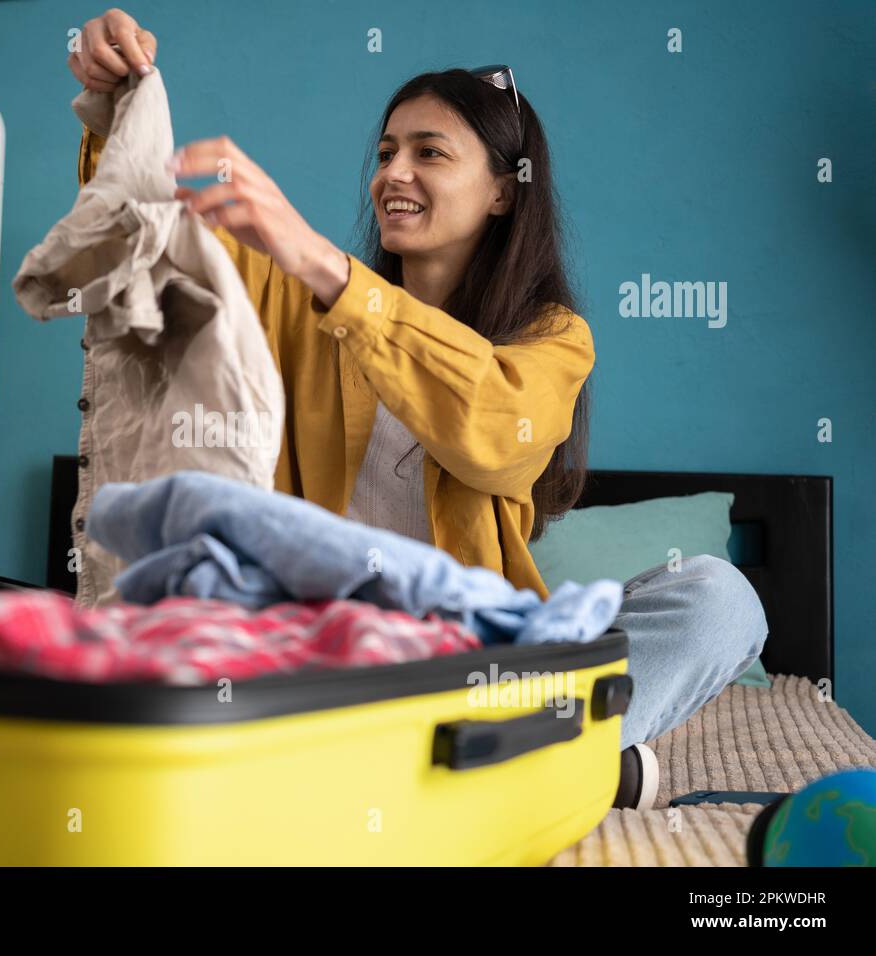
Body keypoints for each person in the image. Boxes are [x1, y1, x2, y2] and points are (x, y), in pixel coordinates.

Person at [68, 8, 767, 810]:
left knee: (718, 596)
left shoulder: (552, 338)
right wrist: (117, 104)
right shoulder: (300, 303)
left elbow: (495, 439)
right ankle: (555, 767)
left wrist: (322, 263)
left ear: (504, 191)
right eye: (386, 153)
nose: (394, 172)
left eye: (429, 153)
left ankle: (500, 752)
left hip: (472, 671)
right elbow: (147, 237)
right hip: (321, 651)